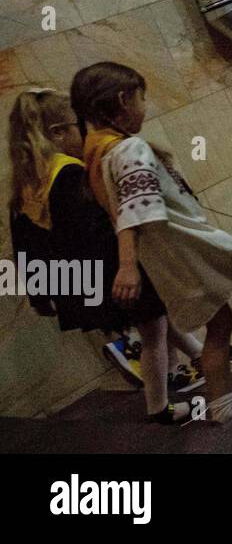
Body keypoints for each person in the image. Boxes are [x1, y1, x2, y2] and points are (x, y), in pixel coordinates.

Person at [71, 62, 232, 432]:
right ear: (122, 99)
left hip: (163, 257)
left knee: (220, 319)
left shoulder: (97, 152)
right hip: (186, 241)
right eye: (141, 98)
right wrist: (127, 264)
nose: (144, 107)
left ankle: (223, 409)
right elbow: (136, 208)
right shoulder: (128, 149)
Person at [7, 88, 192, 424]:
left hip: (77, 282)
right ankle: (159, 405)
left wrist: (41, 296)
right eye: (81, 127)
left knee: (158, 315)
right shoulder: (70, 174)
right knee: (154, 327)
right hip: (107, 274)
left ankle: (195, 355)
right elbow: (98, 231)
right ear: (58, 133)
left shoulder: (29, 183)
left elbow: (26, 247)